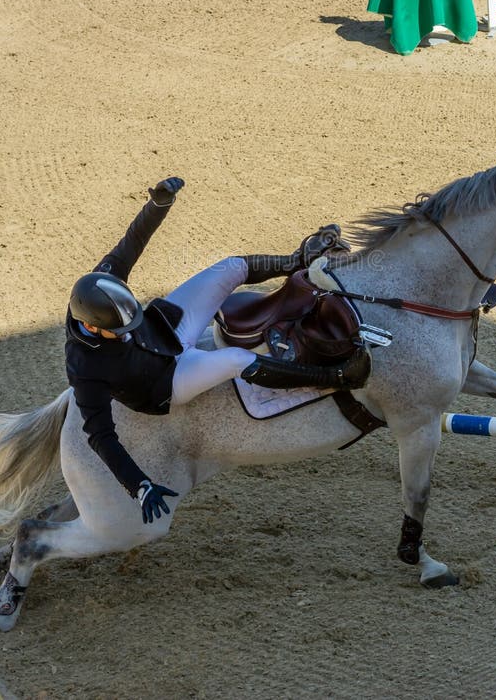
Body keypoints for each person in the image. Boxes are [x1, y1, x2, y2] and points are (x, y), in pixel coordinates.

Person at [65, 178, 371, 526]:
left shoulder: (104, 280)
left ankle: (299, 259)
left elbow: (133, 241)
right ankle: (336, 376)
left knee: (229, 268)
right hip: (167, 382)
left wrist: (158, 205)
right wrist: (139, 486)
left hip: (166, 326)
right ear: (91, 327)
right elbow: (100, 436)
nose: (124, 333)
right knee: (234, 360)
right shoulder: (85, 368)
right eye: (117, 332)